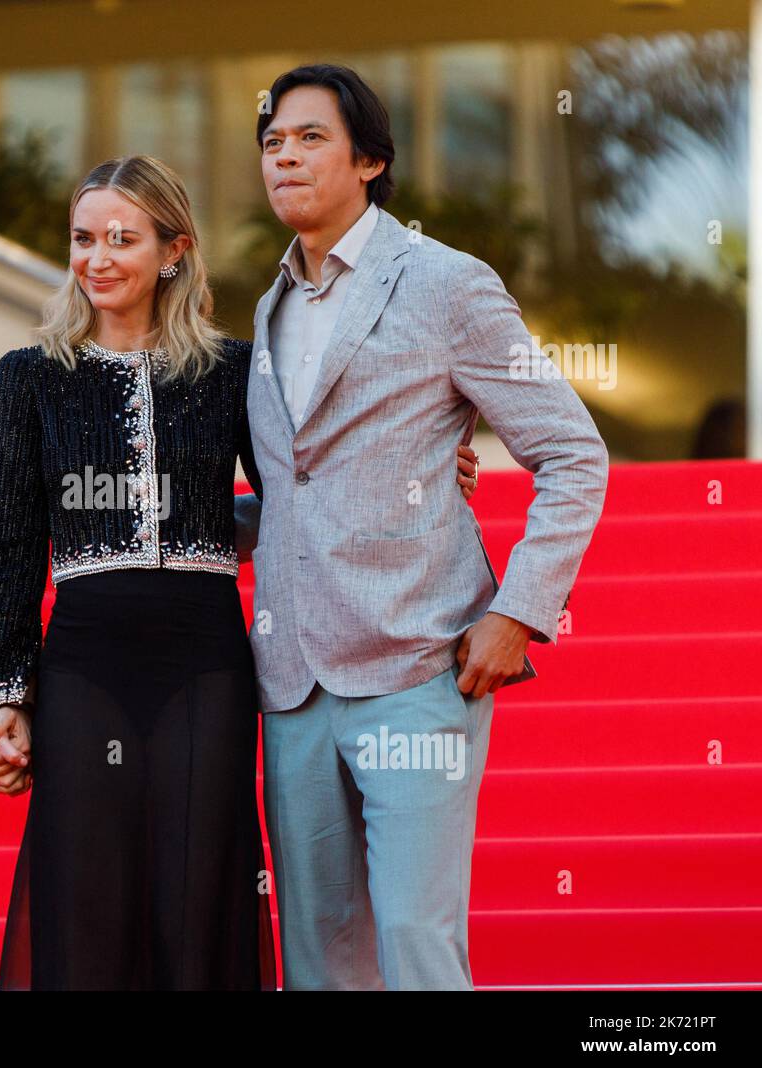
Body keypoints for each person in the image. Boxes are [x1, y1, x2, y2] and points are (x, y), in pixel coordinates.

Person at [0, 155, 479, 990]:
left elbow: (300, 490)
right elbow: (13, 545)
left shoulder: (236, 371)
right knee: (86, 900)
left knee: (198, 895)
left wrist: (410, 469)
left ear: (174, 250)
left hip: (206, 663)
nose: (97, 258)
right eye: (83, 239)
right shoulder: (31, 376)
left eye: (122, 239)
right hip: (84, 662)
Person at [237, 64, 609, 990]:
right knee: (319, 962)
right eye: (273, 141)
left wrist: (517, 611)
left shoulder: (445, 283)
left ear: (370, 160)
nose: (285, 155)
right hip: (292, 686)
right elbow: (296, 492)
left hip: (420, 667)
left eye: (310, 138)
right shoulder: (268, 305)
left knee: (414, 943)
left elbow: (573, 454)